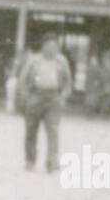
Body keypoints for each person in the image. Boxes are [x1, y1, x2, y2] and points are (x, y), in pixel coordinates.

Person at [20, 32, 72, 173]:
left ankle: (52, 162)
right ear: (42, 47)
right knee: (31, 129)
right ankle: (30, 160)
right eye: (49, 46)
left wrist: (63, 97)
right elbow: (23, 80)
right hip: (36, 96)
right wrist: (26, 97)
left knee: (53, 130)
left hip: (53, 97)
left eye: (55, 46)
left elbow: (68, 82)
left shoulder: (62, 61)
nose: (52, 49)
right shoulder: (33, 60)